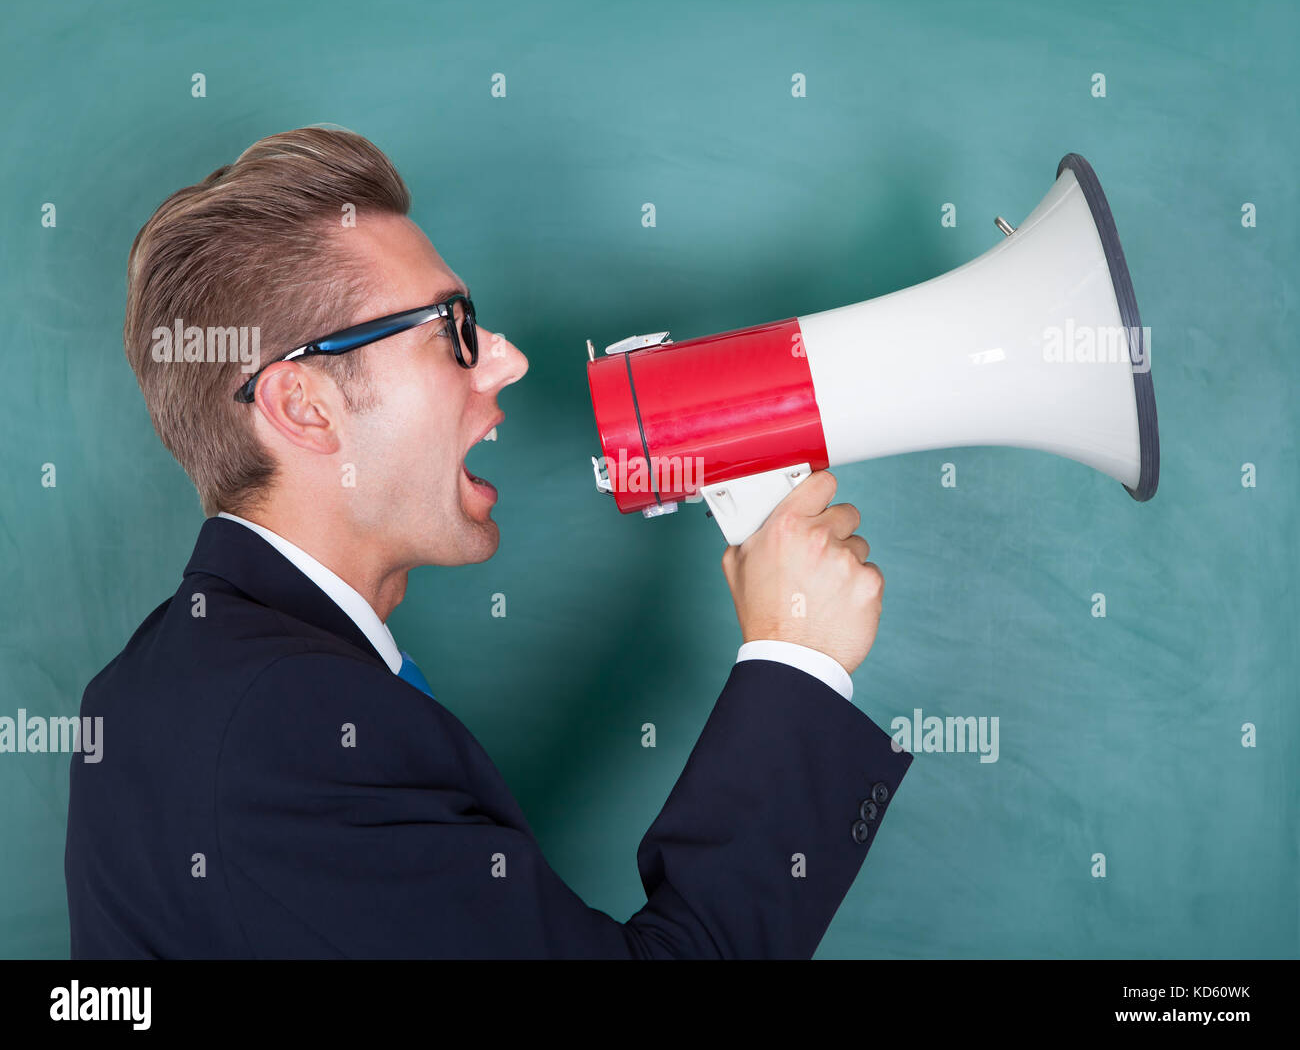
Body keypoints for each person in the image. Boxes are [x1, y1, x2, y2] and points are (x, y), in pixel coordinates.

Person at [64, 126, 911, 958]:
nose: (507, 361)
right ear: (305, 407)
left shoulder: (155, 689)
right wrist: (798, 657)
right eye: (453, 330)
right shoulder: (291, 726)